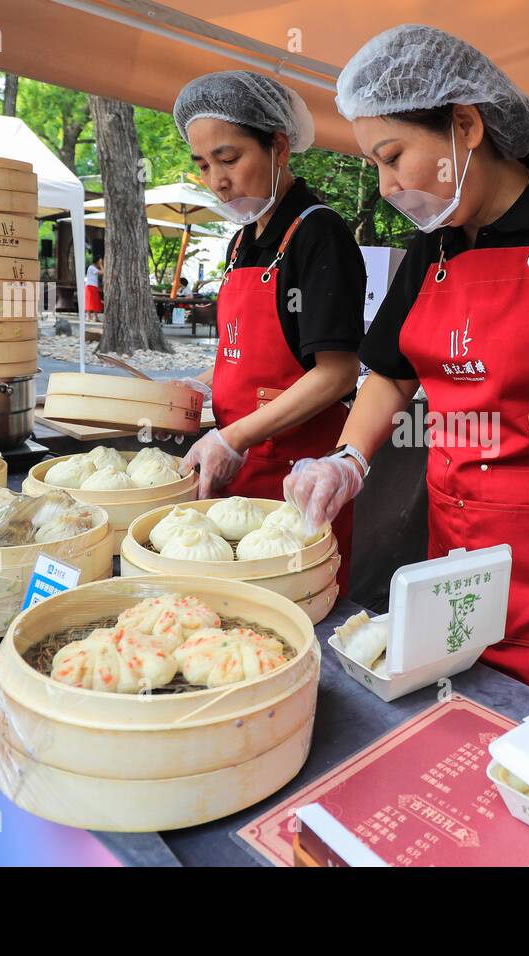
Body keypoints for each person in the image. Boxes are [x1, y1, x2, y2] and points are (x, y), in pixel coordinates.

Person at [285, 25, 529, 710]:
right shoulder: (433, 249)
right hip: (453, 576)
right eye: (374, 168)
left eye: (393, 157)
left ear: (465, 125)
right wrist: (348, 459)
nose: (385, 187)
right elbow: (388, 372)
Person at [174, 71, 366, 593]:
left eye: (229, 158)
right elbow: (242, 353)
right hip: (234, 462)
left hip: (296, 474)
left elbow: (337, 372)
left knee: (291, 606)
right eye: (203, 165)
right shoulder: (240, 243)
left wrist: (235, 436)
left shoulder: (318, 233)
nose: (217, 180)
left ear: (278, 145)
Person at [84, 254, 103, 319]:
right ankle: (89, 316)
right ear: (97, 261)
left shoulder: (93, 268)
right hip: (90, 286)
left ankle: (94, 316)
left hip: (92, 286)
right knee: (91, 300)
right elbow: (102, 272)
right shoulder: (92, 267)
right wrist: (101, 265)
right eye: (100, 262)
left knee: (94, 301)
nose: (101, 263)